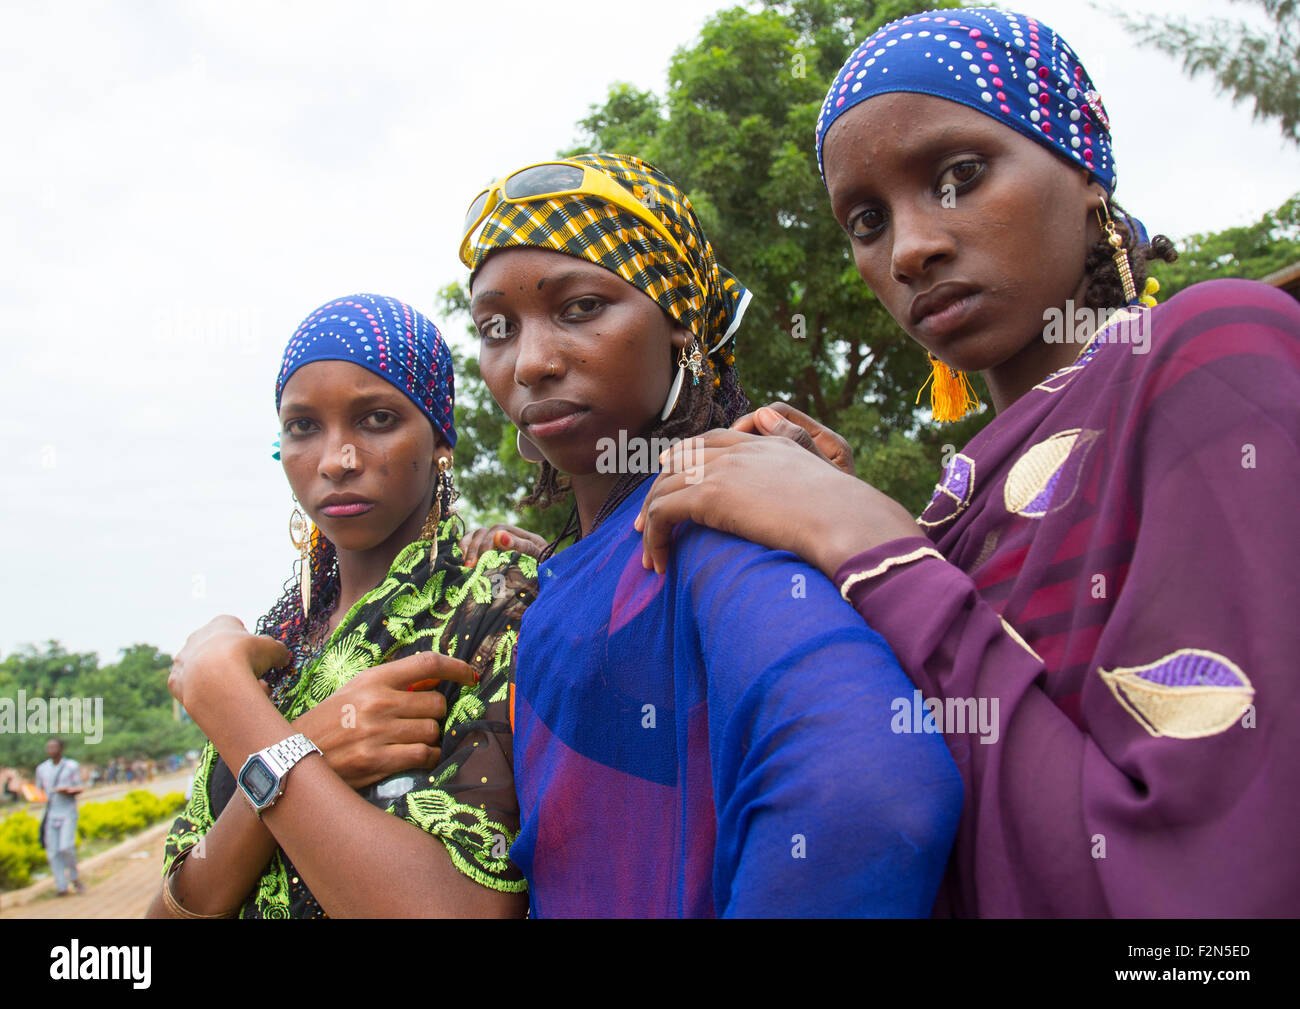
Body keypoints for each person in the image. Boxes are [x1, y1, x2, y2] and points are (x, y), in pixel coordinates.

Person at [635, 8, 1300, 915]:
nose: (910, 248)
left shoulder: (1214, 347)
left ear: (1084, 172)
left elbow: (1205, 912)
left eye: (959, 174)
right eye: (867, 220)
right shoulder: (953, 511)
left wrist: (862, 537)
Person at [462, 152, 963, 917]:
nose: (530, 362)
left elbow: (872, 796)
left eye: (581, 307)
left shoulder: (708, 526)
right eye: (498, 327)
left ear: (682, 326)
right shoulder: (558, 578)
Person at [150, 293, 537, 919]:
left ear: (441, 437)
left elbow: (463, 910)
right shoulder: (281, 642)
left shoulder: (493, 602)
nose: (336, 460)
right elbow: (175, 908)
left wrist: (225, 698)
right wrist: (304, 745)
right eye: (303, 426)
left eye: (377, 419)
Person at [34, 739, 85, 896]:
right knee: (53, 852)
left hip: (68, 812)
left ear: (61, 749)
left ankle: (75, 878)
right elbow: (38, 791)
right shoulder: (42, 769)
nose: (51, 749)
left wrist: (67, 791)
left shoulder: (71, 766)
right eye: (48, 747)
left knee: (66, 847)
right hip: (51, 814)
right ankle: (61, 886)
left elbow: (79, 787)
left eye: (54, 747)